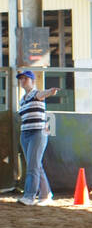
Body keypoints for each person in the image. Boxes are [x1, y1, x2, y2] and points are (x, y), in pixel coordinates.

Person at [15, 69, 59, 206]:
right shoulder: (22, 100)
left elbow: (43, 94)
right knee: (35, 165)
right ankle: (46, 195)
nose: (22, 81)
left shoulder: (36, 93)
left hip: (37, 133)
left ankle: (29, 196)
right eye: (21, 79)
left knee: (32, 166)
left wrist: (50, 91)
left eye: (25, 79)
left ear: (32, 81)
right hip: (25, 134)